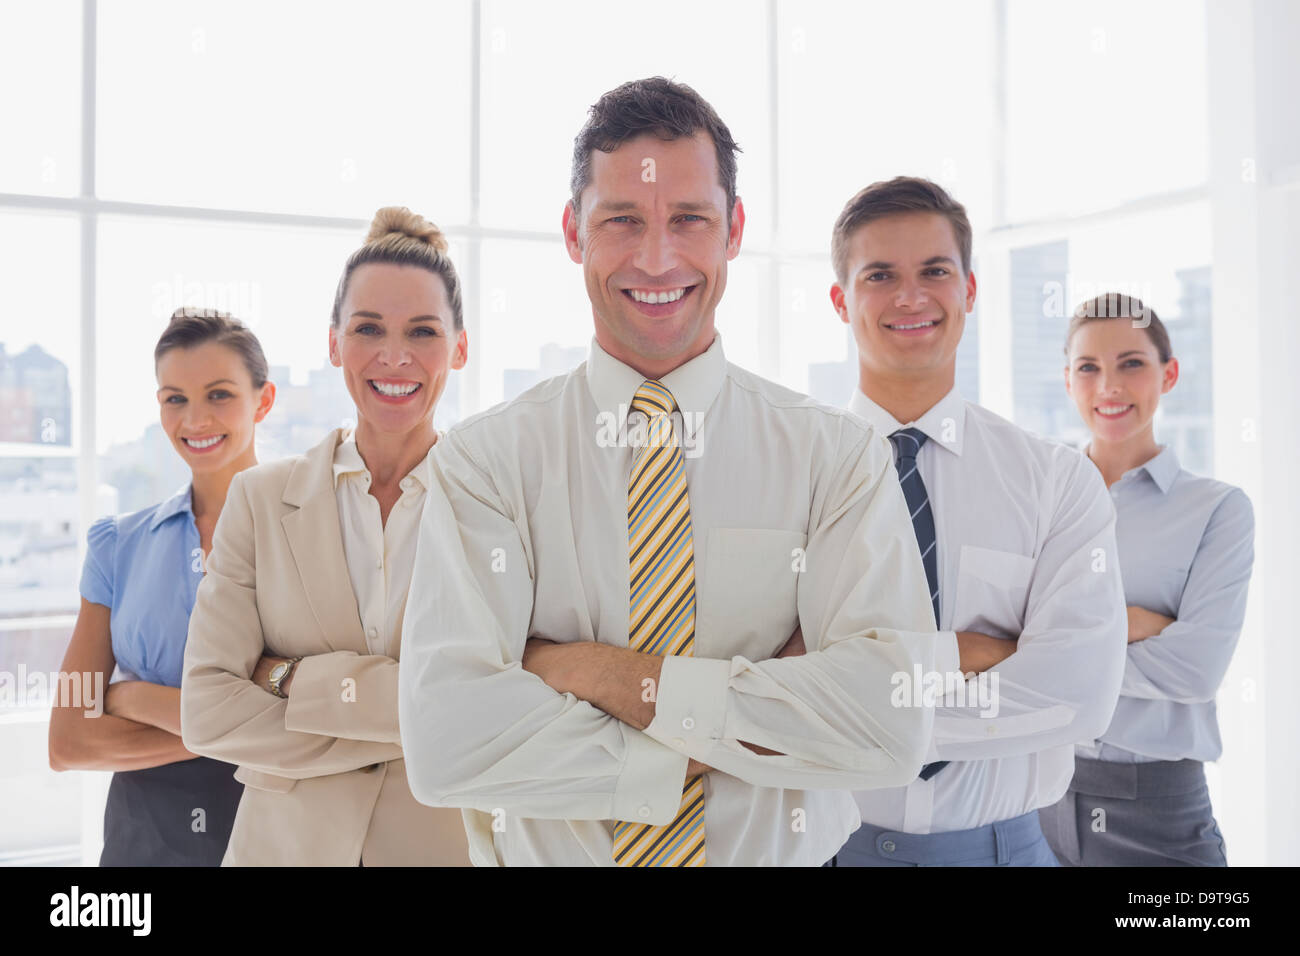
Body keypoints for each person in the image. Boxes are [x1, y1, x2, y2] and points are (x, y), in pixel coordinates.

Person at [398, 77, 948, 867]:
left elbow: (889, 728)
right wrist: (744, 718)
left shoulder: (836, 458)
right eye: (622, 220)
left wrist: (583, 669)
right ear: (573, 232)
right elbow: (450, 743)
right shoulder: (485, 462)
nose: (657, 259)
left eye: (689, 219)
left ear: (734, 231)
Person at [827, 177, 1127, 866]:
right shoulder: (789, 480)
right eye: (880, 275)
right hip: (825, 848)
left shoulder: (1056, 480)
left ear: (970, 290)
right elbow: (761, 676)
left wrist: (856, 710)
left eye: (935, 270)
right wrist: (973, 659)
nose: (910, 296)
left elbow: (1076, 697)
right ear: (842, 300)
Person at [180, 207, 472, 866]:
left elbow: (503, 706)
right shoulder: (259, 500)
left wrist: (289, 679)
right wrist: (427, 725)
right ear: (335, 343)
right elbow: (206, 712)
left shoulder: (498, 509)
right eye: (369, 328)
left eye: (422, 331)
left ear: (458, 346)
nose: (394, 356)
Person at [48, 307, 276, 865]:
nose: (194, 419)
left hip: (273, 831)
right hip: (141, 844)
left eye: (218, 394)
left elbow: (318, 717)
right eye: (176, 398)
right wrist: (238, 728)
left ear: (262, 401)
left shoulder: (308, 536)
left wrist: (132, 698)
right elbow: (69, 738)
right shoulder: (118, 547)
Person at [1038, 293, 1254, 866]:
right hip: (1033, 798)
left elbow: (1194, 670)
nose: (1109, 386)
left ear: (1169, 372)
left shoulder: (1218, 510)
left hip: (1159, 813)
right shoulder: (1037, 502)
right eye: (1089, 367)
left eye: (1131, 363)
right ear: (1068, 381)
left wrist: (1053, 649)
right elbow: (998, 638)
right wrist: (1135, 624)